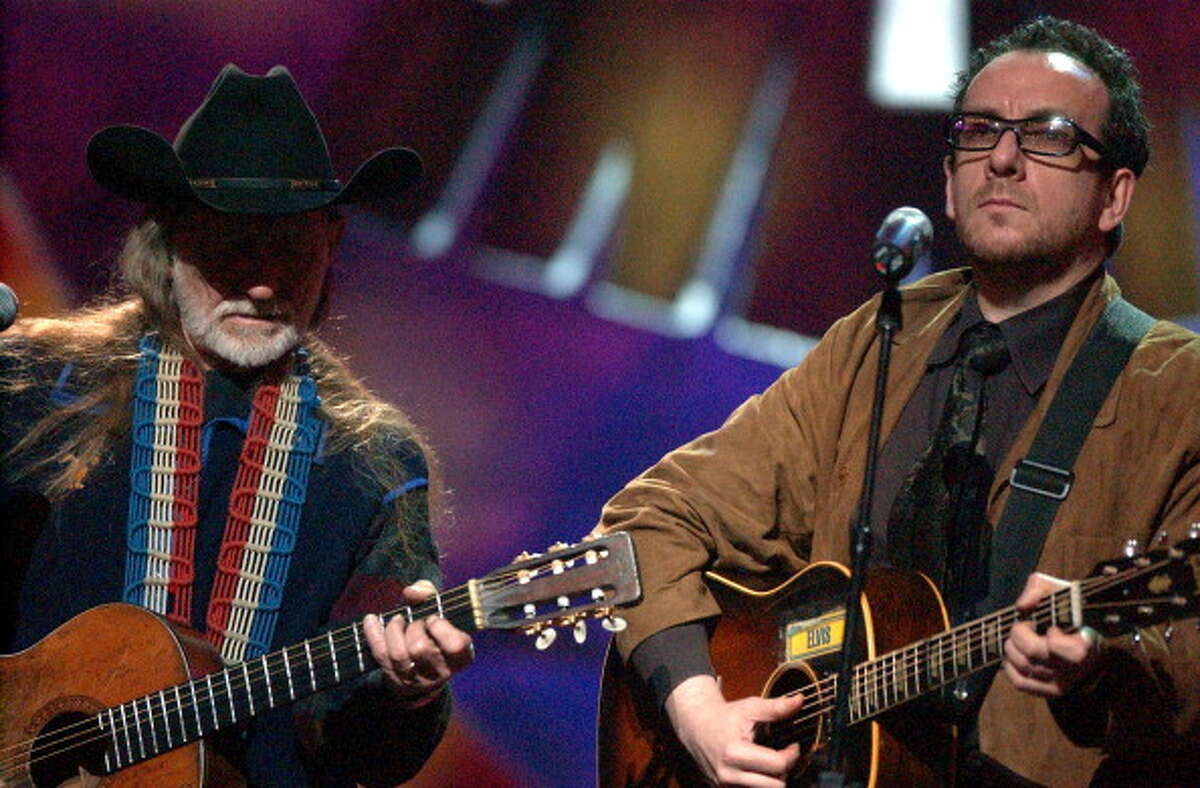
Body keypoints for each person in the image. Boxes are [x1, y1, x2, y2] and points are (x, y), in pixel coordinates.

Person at [594, 16, 1200, 787]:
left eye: (1047, 135)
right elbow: (651, 519)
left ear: (1115, 196)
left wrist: (1103, 669)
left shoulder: (1179, 392)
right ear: (948, 180)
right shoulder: (878, 340)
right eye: (979, 133)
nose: (1004, 159)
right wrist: (697, 707)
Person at [0, 64, 473, 785]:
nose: (260, 281)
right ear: (169, 236)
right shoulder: (35, 383)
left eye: (289, 248)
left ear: (333, 239)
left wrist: (409, 691)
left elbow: (362, 757)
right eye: (232, 244)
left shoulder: (370, 459)